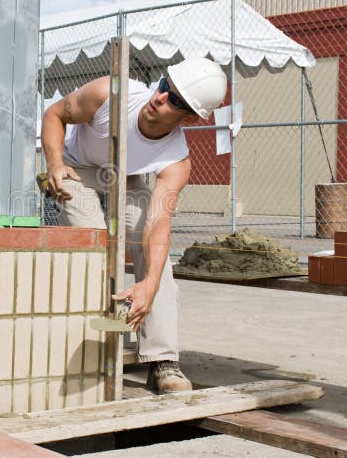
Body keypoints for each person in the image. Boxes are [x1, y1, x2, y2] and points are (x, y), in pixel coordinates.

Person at [41, 57, 227, 393]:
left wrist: (150, 284)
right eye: (164, 85)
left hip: (126, 177)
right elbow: (54, 114)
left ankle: (162, 360)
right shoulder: (109, 94)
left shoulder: (176, 161)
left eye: (174, 100)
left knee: (155, 258)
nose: (160, 97)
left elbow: (158, 223)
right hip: (77, 170)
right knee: (94, 238)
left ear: (188, 117)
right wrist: (54, 163)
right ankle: (90, 341)